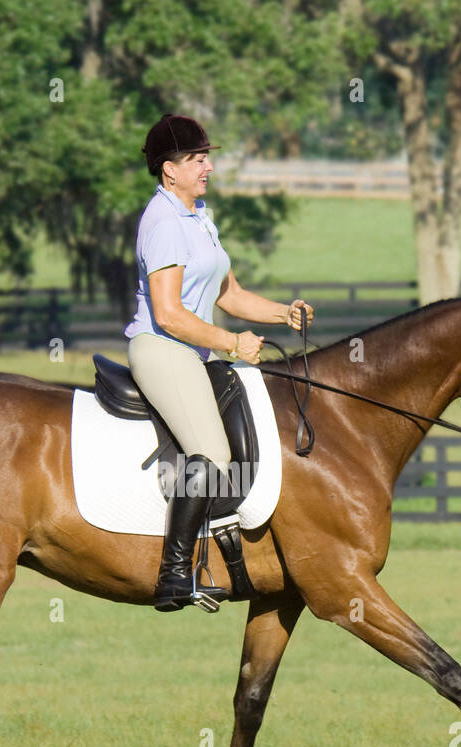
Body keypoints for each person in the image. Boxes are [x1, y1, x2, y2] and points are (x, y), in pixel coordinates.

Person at [125, 113, 314, 612]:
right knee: (211, 453)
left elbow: (228, 293)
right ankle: (173, 576)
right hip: (163, 349)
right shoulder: (164, 222)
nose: (208, 166)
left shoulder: (198, 216)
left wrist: (282, 312)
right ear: (169, 170)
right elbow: (168, 313)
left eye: (207, 157)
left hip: (192, 349)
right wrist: (232, 344)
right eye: (197, 159)